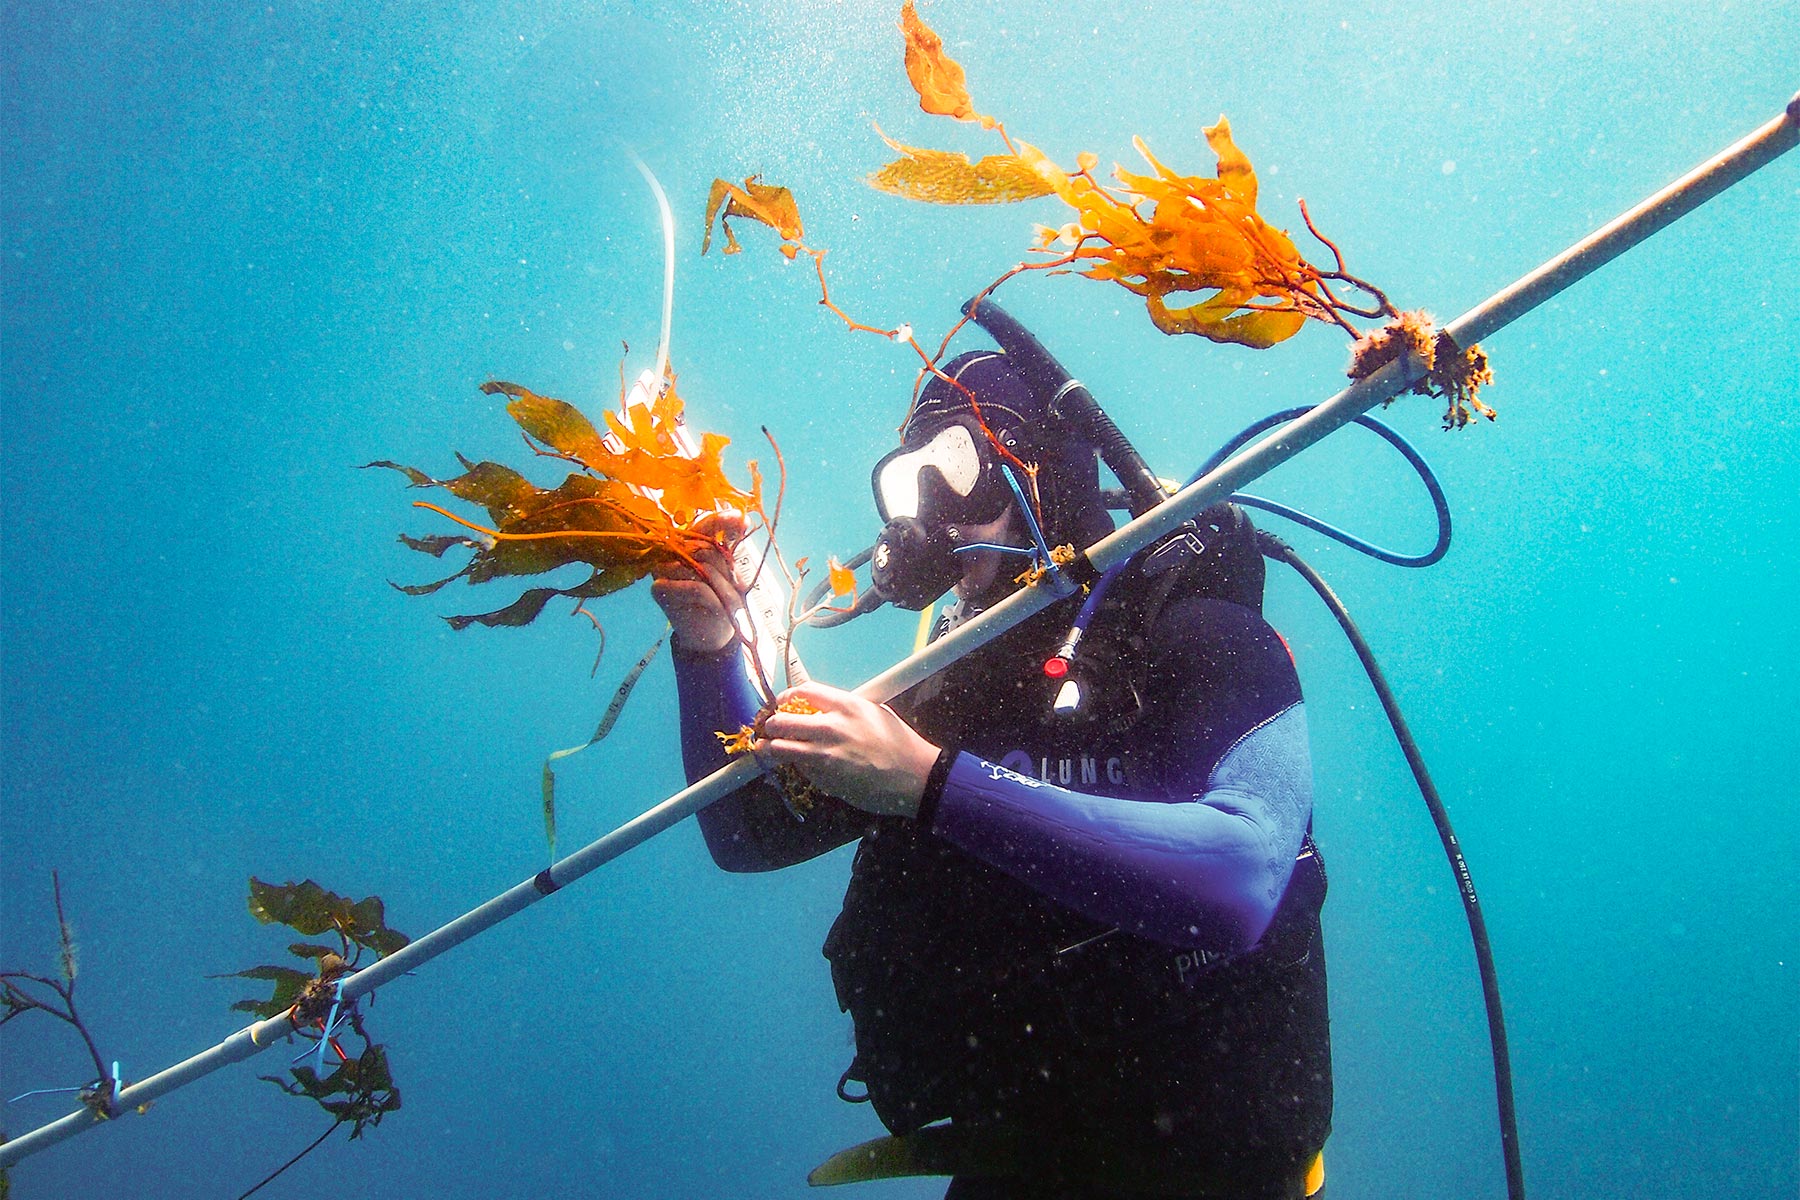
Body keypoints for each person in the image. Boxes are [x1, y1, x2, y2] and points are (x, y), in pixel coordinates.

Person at [653, 348, 1332, 1199]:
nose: (926, 516)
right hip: (1017, 1168)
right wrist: (710, 647)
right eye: (907, 486)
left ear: (1042, 476)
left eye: (957, 469)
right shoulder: (944, 692)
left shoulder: (1193, 630)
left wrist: (926, 784)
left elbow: (1242, 880)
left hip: (1215, 1175)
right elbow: (747, 835)